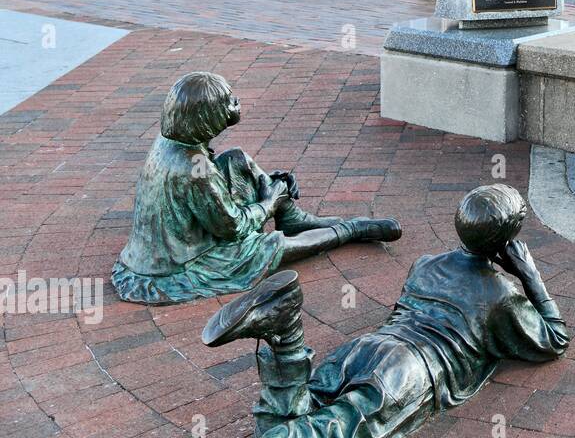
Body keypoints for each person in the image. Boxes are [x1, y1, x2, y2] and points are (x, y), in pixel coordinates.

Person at [168, 184, 569, 438]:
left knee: (291, 416)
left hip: (367, 347)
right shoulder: (500, 292)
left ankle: (287, 338)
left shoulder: (425, 263)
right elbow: (554, 339)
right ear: (508, 238)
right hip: (410, 370)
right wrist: (530, 276)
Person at [111, 72, 401, 305]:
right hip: (178, 266)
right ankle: (348, 231)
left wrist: (268, 192)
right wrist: (269, 202)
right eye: (226, 103)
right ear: (204, 117)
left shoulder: (172, 143)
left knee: (236, 158)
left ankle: (292, 217)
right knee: (267, 247)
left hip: (168, 245)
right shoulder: (192, 167)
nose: (234, 106)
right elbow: (234, 227)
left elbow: (210, 189)